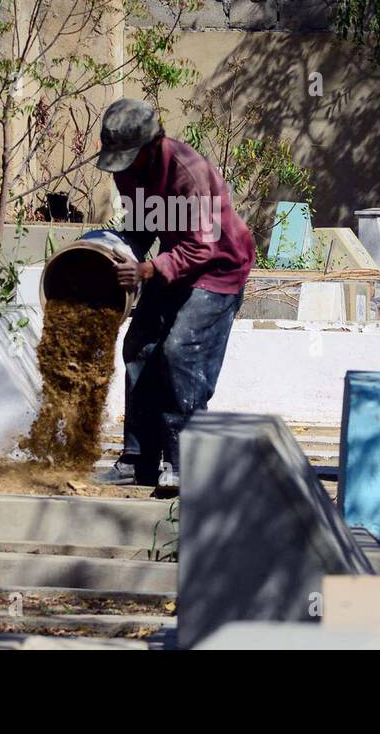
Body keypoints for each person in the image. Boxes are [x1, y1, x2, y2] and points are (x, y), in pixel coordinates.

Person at [91, 98, 256, 489]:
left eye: (129, 157)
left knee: (181, 349)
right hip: (175, 265)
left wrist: (147, 270)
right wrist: (115, 250)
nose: (123, 168)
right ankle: (139, 458)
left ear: (152, 145)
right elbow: (146, 224)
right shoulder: (129, 172)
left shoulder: (189, 174)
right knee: (139, 344)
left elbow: (204, 247)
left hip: (219, 269)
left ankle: (185, 461)